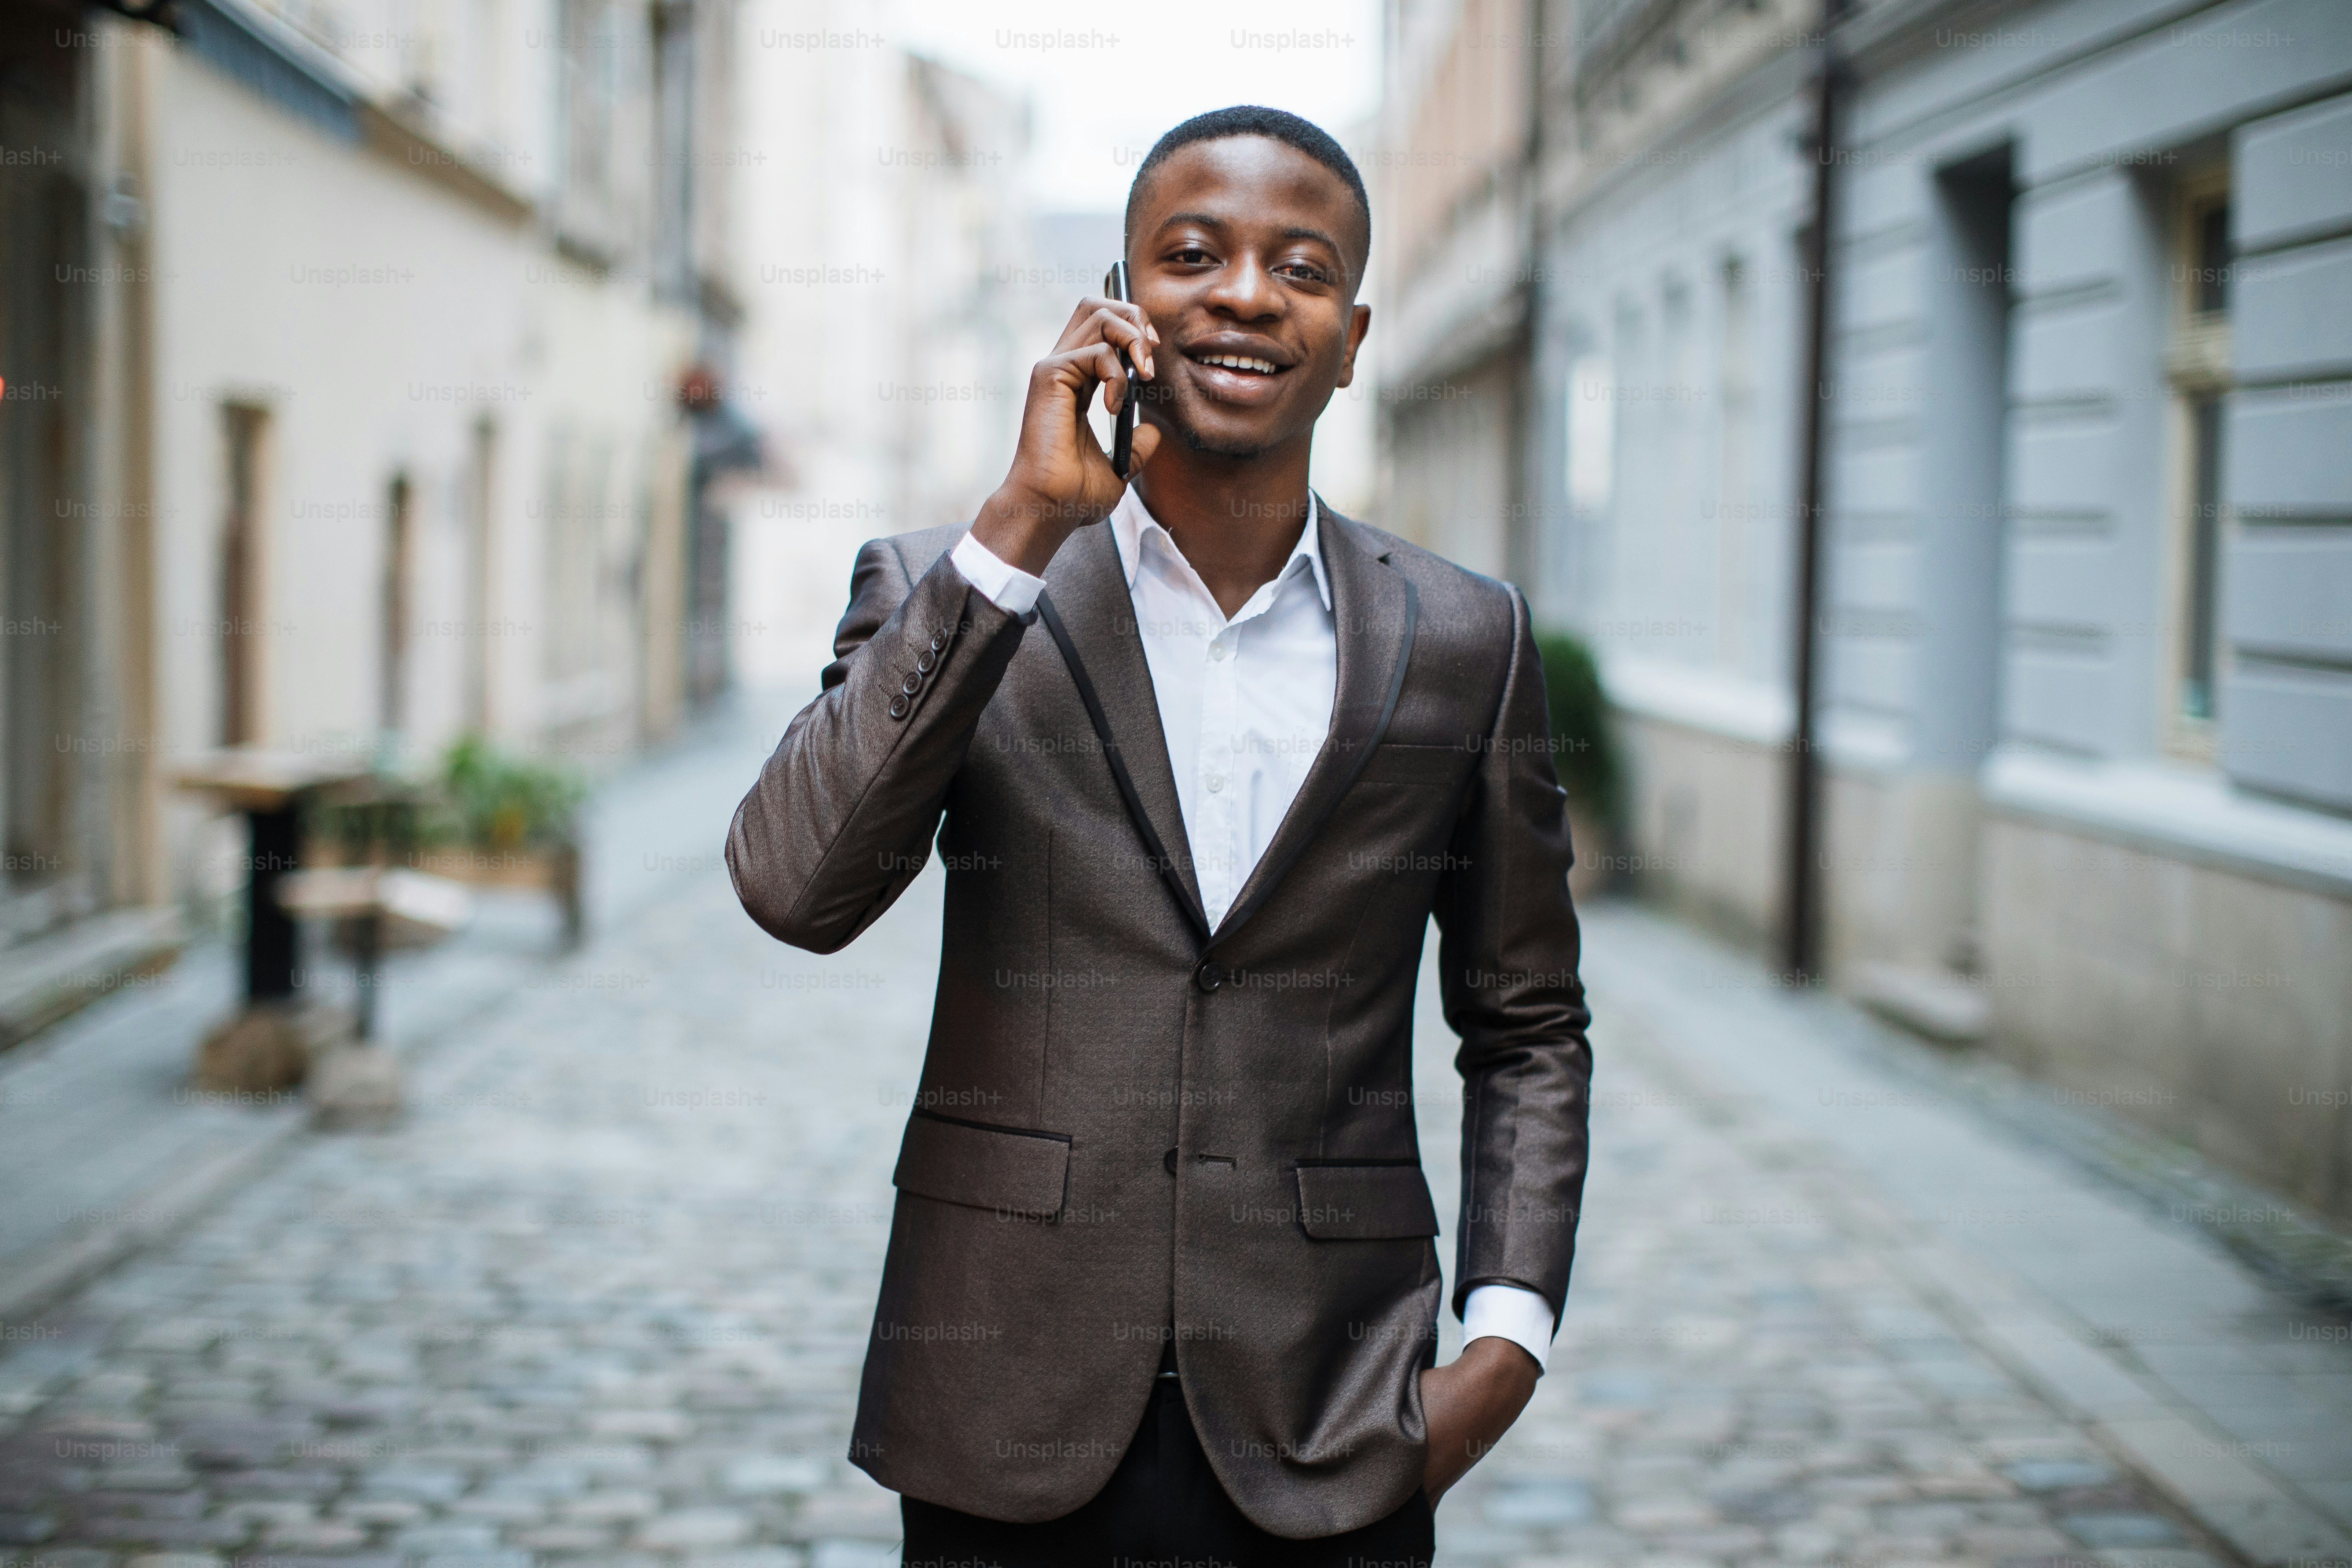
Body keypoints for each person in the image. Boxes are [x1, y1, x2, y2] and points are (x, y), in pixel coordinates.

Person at [728, 105, 1592, 1566]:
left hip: (1337, 1416)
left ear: (1353, 331)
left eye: (1298, 267)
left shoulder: (1463, 638)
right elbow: (794, 885)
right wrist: (1015, 534)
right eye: (1192, 255)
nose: (1246, 292)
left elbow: (1526, 1021)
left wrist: (1502, 1340)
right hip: (1005, 1402)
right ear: (1120, 306)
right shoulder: (960, 583)